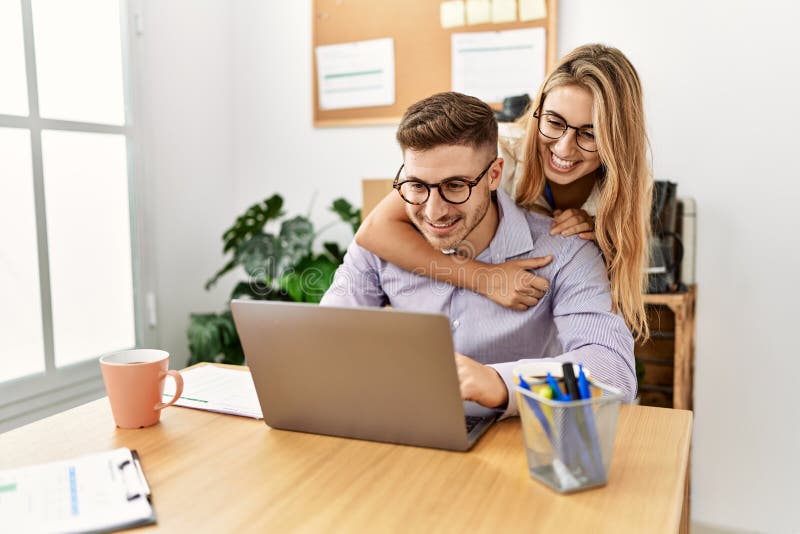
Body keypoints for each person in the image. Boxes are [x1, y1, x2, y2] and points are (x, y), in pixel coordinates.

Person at [321, 92, 636, 416]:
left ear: (494, 175)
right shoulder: (382, 245)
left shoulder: (566, 253)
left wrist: (501, 384)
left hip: (511, 440)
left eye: (455, 186)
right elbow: (325, 340)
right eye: (417, 185)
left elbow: (613, 373)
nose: (434, 211)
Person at [356, 44, 652, 340]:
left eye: (589, 134)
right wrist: (482, 278)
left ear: (617, 139)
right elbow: (374, 230)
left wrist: (597, 230)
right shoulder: (505, 151)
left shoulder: (625, 189)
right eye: (553, 122)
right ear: (538, 113)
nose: (563, 148)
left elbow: (599, 296)